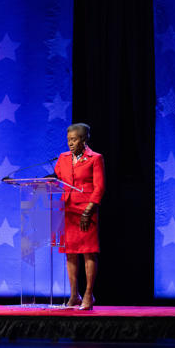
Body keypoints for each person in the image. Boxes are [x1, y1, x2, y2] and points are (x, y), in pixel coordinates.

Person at [54, 123, 105, 310]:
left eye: (74, 139)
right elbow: (56, 178)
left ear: (84, 140)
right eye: (68, 140)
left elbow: (99, 187)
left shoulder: (95, 158)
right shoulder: (63, 158)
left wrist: (88, 210)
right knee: (70, 253)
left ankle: (88, 295)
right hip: (67, 211)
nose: (70, 143)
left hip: (86, 211)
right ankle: (74, 295)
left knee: (88, 252)